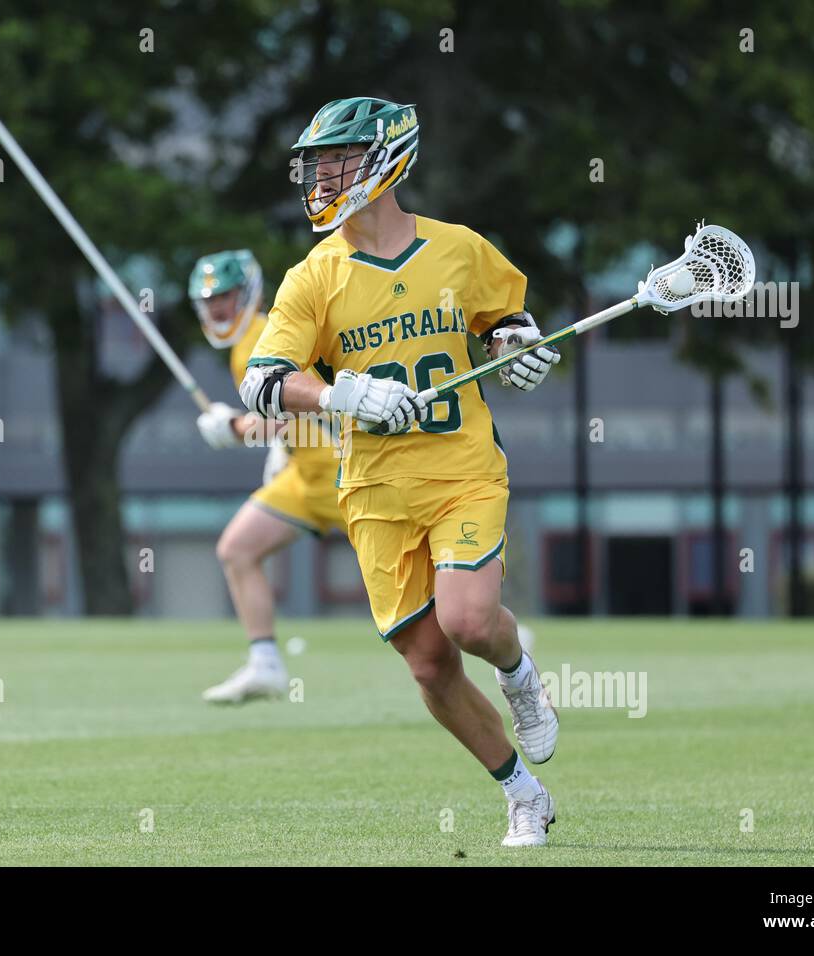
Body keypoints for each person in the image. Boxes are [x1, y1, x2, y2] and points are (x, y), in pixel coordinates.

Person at [238, 98, 563, 846]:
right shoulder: (314, 277)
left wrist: (523, 352)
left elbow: (505, 325)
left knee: (468, 619)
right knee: (427, 664)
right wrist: (340, 391)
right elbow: (261, 381)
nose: (321, 178)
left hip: (461, 471)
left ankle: (518, 675)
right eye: (317, 165)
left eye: (337, 161)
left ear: (386, 161)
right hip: (376, 492)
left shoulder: (456, 248)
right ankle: (522, 792)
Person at [189, 249, 344, 704]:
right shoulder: (244, 344)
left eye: (227, 295)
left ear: (248, 293)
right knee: (237, 549)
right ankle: (266, 665)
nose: (218, 306)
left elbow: (280, 416)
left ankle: (501, 637)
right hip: (306, 476)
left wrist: (230, 428)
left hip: (344, 473)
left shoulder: (259, 337)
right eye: (210, 298)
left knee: (422, 590)